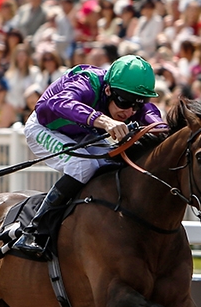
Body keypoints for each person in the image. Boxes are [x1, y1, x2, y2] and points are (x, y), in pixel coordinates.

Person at [12, 55, 163, 258]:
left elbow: (150, 113)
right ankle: (34, 229)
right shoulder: (87, 82)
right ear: (108, 89)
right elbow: (58, 103)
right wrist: (104, 121)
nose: (129, 111)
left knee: (113, 165)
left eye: (137, 104)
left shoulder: (128, 101)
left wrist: (163, 128)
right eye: (124, 101)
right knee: (83, 167)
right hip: (44, 127)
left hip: (83, 132)